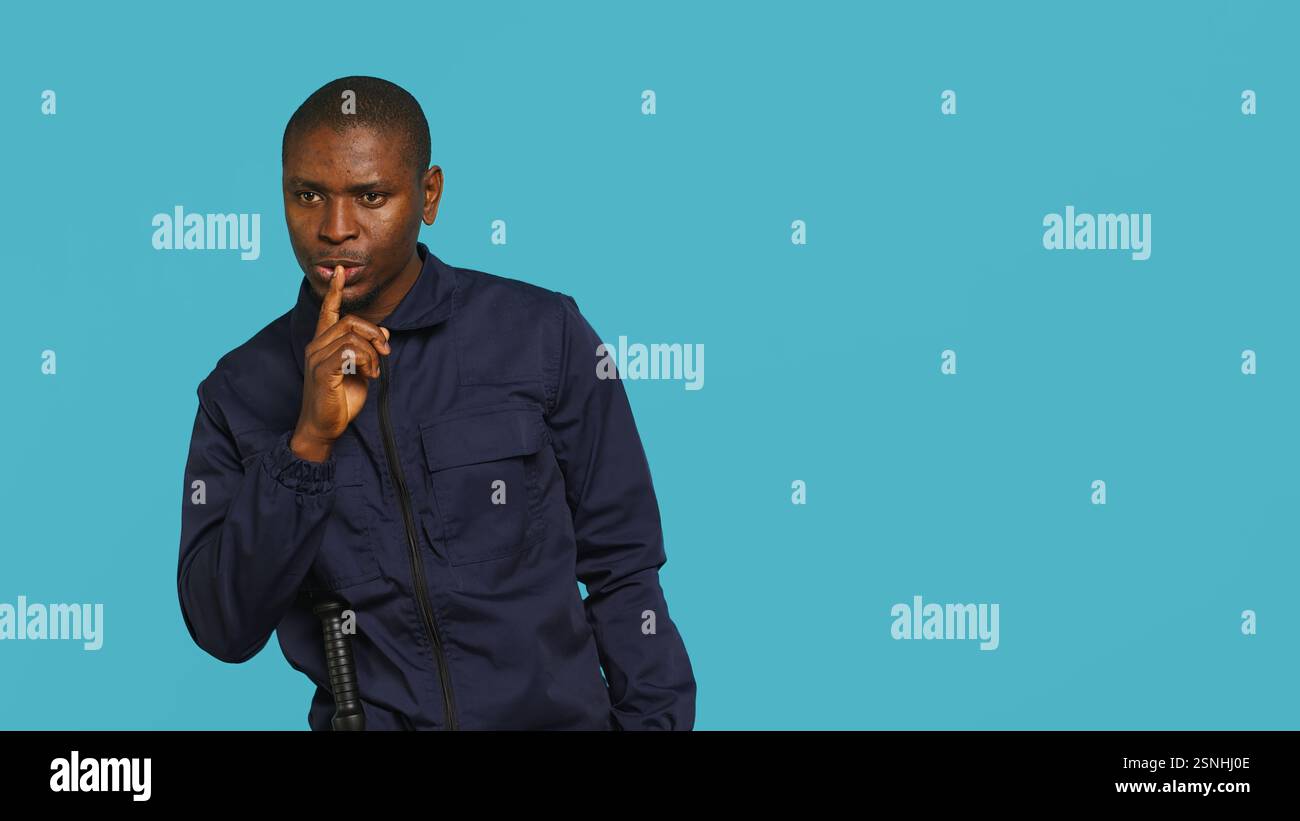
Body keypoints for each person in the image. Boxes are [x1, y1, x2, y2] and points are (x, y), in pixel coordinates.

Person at [176, 76, 695, 730]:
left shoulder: (542, 334)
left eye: (370, 196)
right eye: (307, 195)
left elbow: (625, 568)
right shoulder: (238, 391)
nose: (334, 230)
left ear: (428, 195)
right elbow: (223, 626)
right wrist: (305, 444)